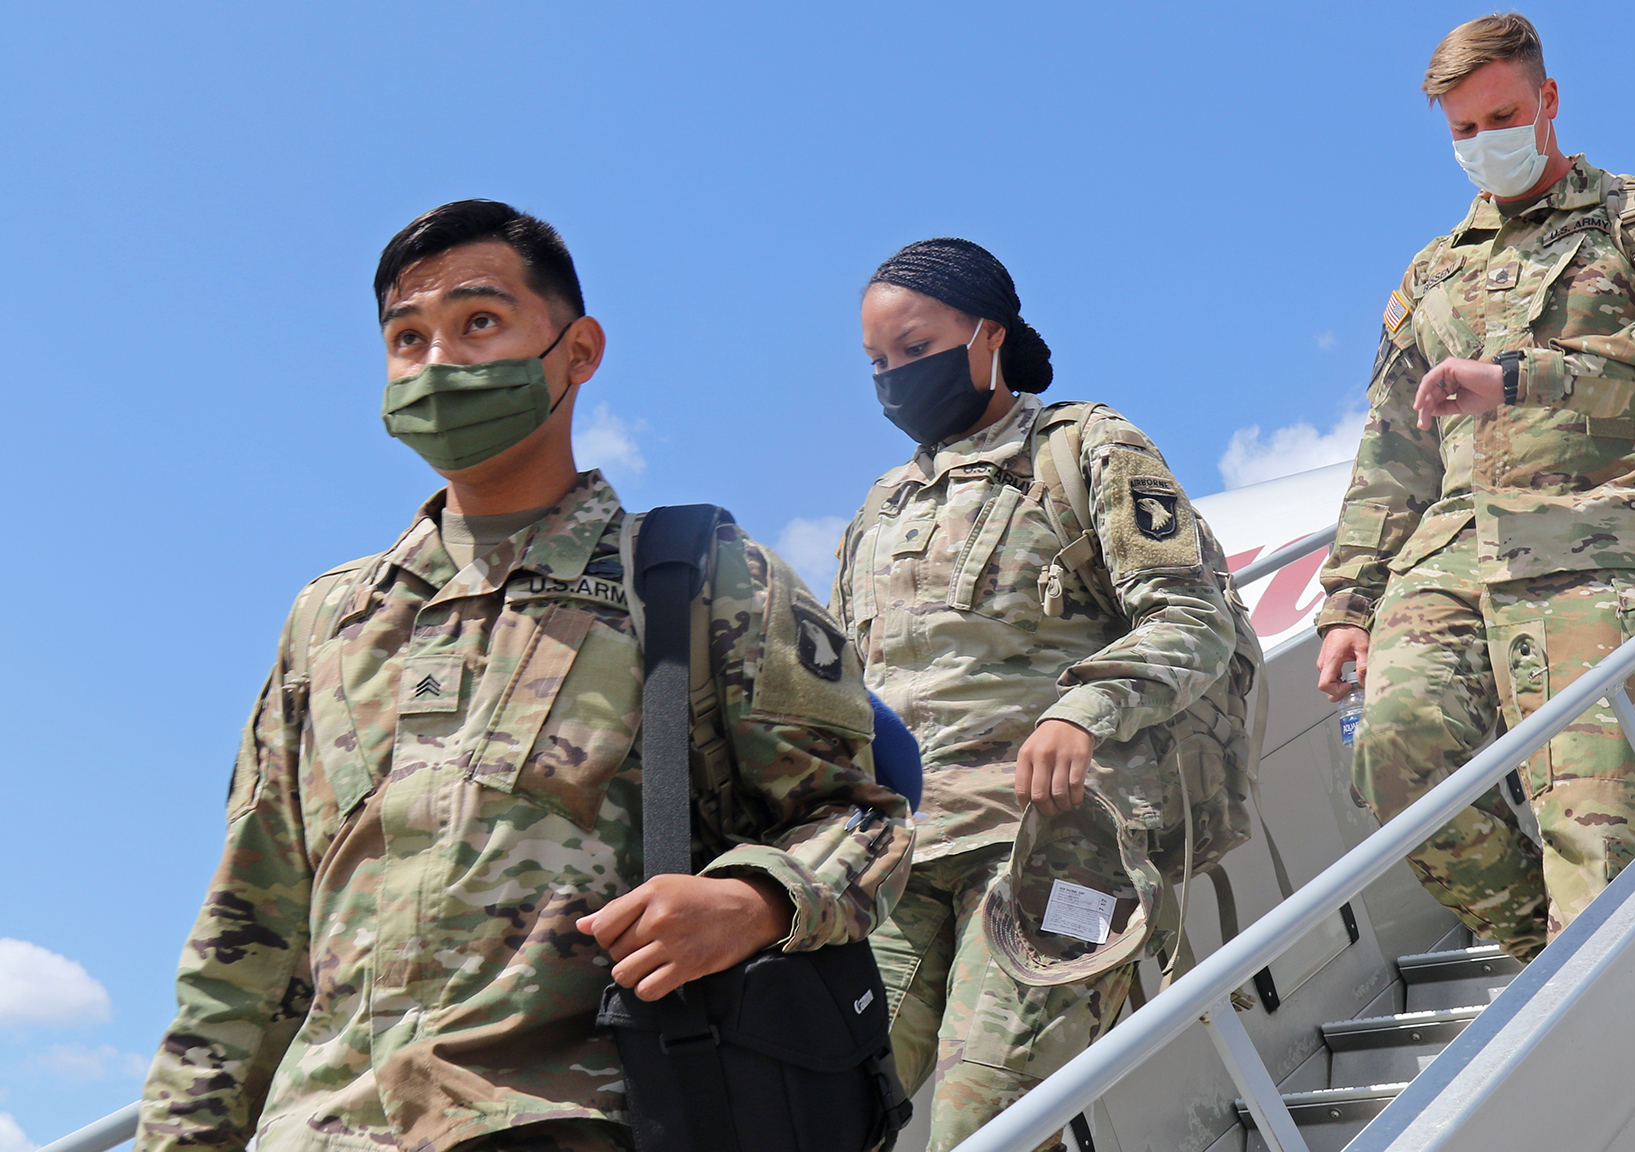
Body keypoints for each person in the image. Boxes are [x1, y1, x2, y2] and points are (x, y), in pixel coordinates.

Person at [135, 200, 912, 1152]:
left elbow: (864, 816)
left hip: (567, 1121)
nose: (438, 362)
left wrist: (753, 900)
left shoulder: (694, 577)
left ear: (577, 352)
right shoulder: (328, 622)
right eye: (406, 338)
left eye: (480, 323)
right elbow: (246, 939)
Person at [1312, 14, 1635, 962]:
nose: (1482, 145)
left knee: (1593, 816)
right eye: (1462, 130)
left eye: (1500, 117)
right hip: (1449, 553)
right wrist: (1349, 599)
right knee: (1390, 759)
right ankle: (1560, 965)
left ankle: (1593, 959)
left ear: (1548, 102)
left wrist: (1519, 376)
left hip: (1597, 537)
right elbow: (1393, 444)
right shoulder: (1433, 271)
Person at [831, 238, 1235, 1151]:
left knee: (987, 1122)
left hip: (1050, 847)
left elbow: (1191, 618)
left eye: (916, 346)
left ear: (988, 335)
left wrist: (1079, 710)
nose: (897, 377)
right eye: (878, 363)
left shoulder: (1084, 448)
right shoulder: (878, 510)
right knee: (819, 1112)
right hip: (897, 861)